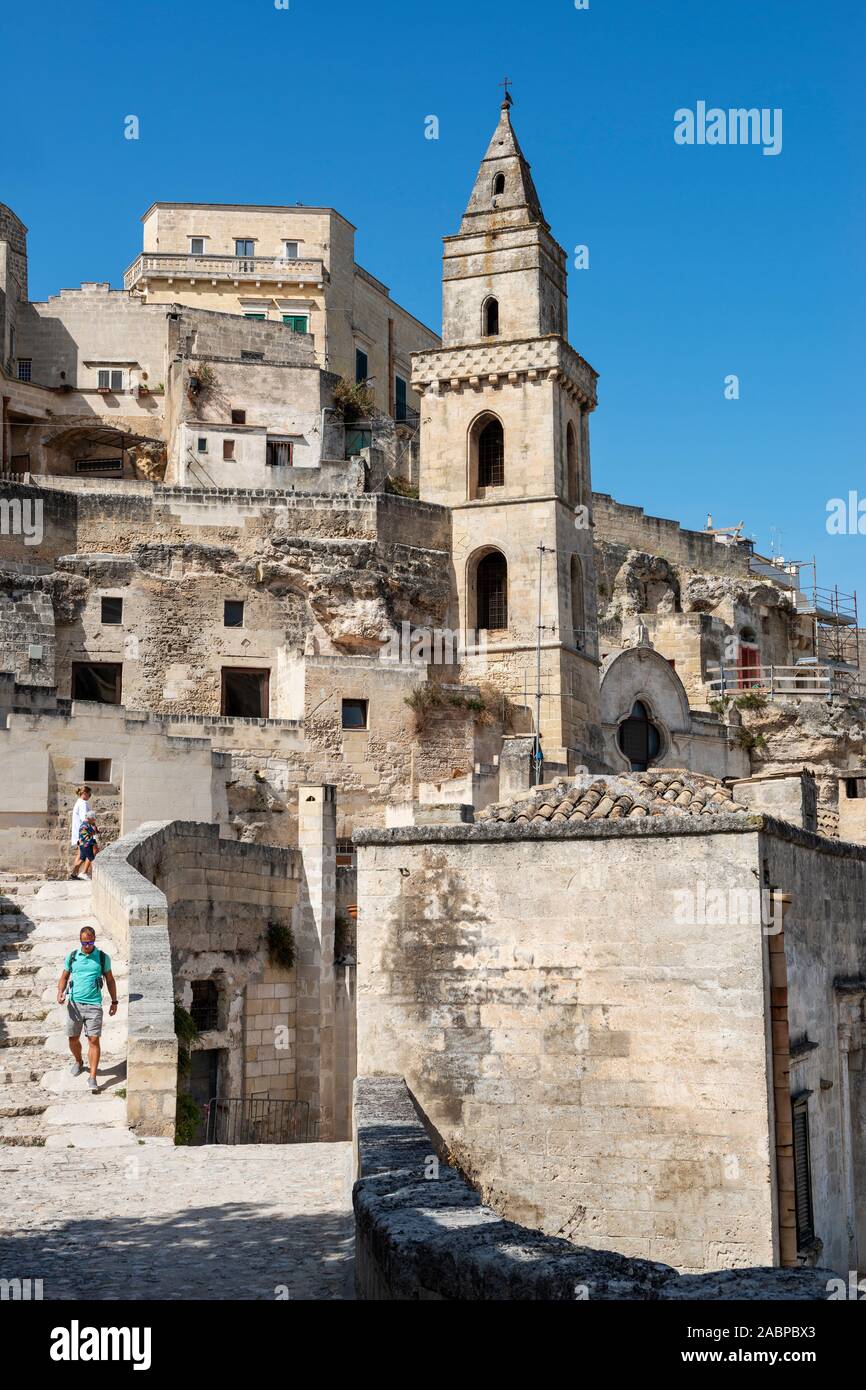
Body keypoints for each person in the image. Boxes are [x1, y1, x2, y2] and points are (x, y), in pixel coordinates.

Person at [56, 926, 118, 1092]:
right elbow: (64, 977)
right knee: (73, 1039)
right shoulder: (73, 956)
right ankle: (78, 1061)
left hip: (94, 1006)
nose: (87, 945)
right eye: (84, 942)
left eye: (90, 942)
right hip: (74, 1005)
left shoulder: (103, 958)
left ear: (94, 940)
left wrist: (114, 1001)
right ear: (80, 941)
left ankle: (92, 1077)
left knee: (93, 1040)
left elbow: (110, 980)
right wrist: (60, 993)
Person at [69, 785, 93, 880]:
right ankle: (84, 872)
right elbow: (85, 819)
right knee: (91, 852)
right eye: (89, 794)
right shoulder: (83, 803)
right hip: (85, 834)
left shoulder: (78, 802)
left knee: (81, 854)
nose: (90, 796)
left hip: (79, 834)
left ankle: (74, 873)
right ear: (84, 793)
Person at [76, 813, 100, 880]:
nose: (95, 820)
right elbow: (86, 837)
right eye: (94, 819)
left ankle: (74, 874)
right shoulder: (84, 826)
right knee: (92, 860)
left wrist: (94, 828)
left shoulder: (88, 825)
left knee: (82, 859)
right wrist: (93, 832)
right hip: (86, 845)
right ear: (90, 818)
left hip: (85, 845)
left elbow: (96, 832)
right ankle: (96, 876)